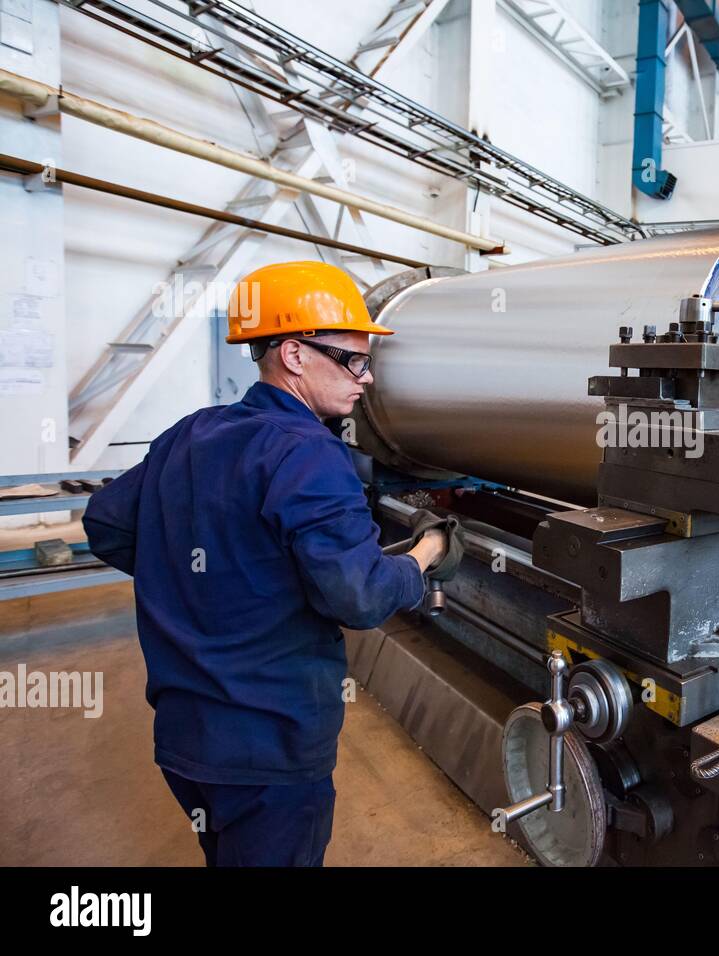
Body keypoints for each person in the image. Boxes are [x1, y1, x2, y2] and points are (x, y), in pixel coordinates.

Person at [84, 260, 460, 866]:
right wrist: (426, 553)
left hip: (186, 736)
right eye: (353, 360)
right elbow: (360, 597)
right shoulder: (309, 455)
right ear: (293, 354)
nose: (365, 379)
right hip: (270, 748)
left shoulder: (193, 433)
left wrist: (200, 577)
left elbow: (105, 524)